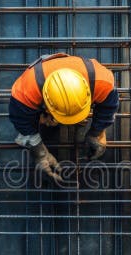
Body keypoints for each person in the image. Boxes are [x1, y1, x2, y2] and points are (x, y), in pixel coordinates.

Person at [9, 53, 119, 183]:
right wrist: (39, 152)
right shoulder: (25, 93)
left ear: (89, 93)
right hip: (37, 91)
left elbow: (108, 108)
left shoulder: (103, 82)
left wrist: (96, 133)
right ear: (45, 103)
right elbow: (22, 121)